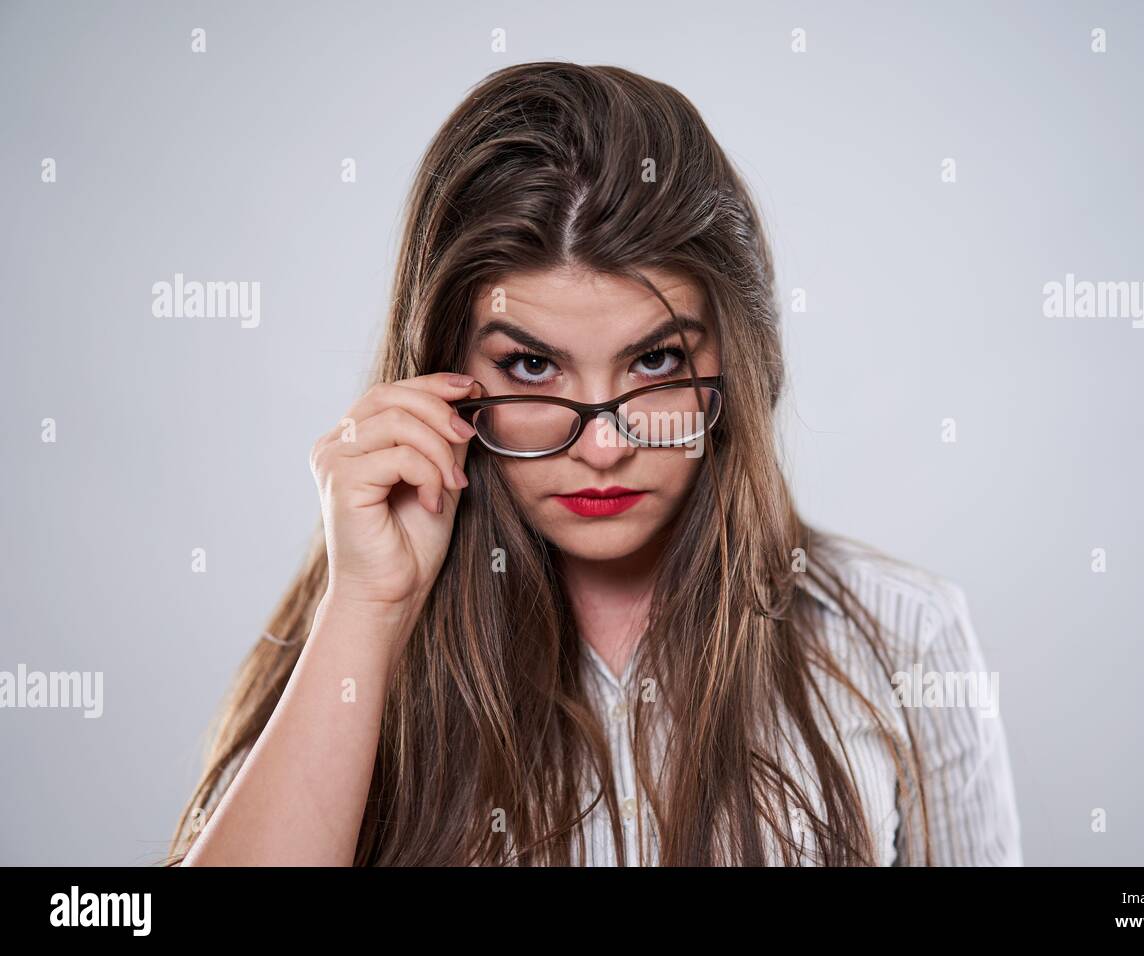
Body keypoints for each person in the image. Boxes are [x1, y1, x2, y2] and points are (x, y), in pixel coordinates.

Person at [167, 61, 1021, 867]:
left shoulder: (906, 634)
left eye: (654, 363)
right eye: (533, 367)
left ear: (737, 358)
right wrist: (369, 606)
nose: (604, 446)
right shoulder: (355, 631)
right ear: (444, 373)